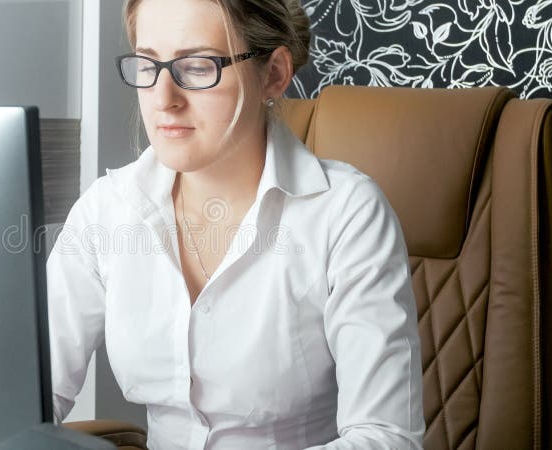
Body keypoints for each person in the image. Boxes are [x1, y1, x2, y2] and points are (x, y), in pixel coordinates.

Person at [46, 0, 424, 448]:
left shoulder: (348, 214)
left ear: (274, 74)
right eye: (148, 64)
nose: (164, 99)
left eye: (199, 66)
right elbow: (29, 397)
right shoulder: (106, 210)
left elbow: (386, 438)